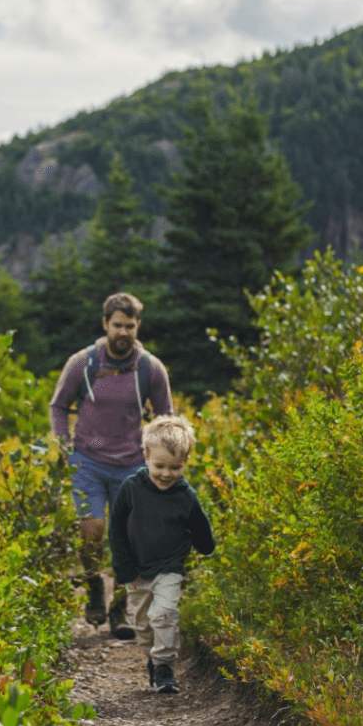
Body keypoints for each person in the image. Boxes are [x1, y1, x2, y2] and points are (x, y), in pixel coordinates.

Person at [50, 291, 173, 634]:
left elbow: (165, 416)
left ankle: (120, 609)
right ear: (105, 324)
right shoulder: (83, 363)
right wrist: (64, 445)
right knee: (91, 532)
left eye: (129, 326)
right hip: (87, 462)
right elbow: (58, 406)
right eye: (117, 325)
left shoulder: (150, 369)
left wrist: (163, 457)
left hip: (132, 464)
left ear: (138, 326)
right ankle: (94, 587)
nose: (123, 332)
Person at [108, 414, 215, 693]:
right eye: (160, 466)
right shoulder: (131, 489)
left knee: (164, 614)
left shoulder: (185, 496)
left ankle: (165, 667)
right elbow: (116, 528)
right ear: (146, 456)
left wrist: (206, 544)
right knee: (143, 625)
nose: (166, 474)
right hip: (137, 569)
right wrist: (123, 567)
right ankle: (153, 659)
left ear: (185, 462)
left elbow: (199, 526)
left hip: (170, 567)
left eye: (175, 467)